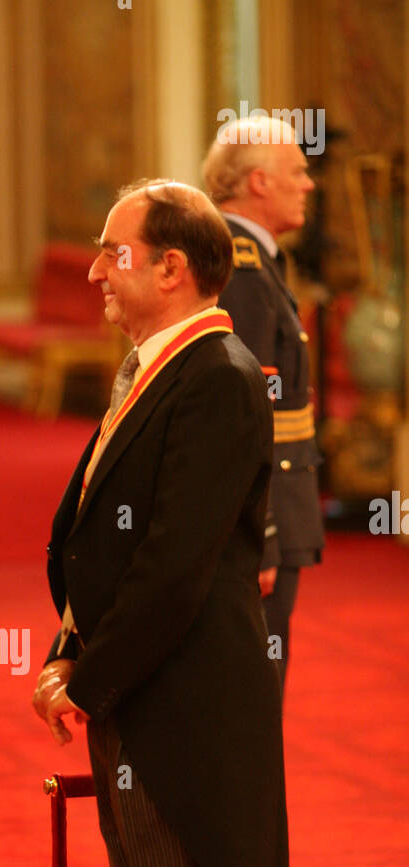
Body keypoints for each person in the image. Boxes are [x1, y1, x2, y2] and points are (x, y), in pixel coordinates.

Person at [32, 181, 295, 867]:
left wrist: (85, 680)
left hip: (190, 714)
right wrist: (68, 642)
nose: (93, 270)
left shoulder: (218, 377)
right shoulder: (160, 368)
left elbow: (176, 568)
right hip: (147, 701)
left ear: (170, 268)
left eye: (111, 252)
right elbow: (112, 541)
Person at [203, 116, 325, 694]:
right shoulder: (243, 269)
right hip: (268, 513)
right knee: (255, 693)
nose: (309, 184)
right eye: (297, 172)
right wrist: (266, 534)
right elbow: (246, 416)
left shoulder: (256, 259)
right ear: (258, 182)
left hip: (277, 502)